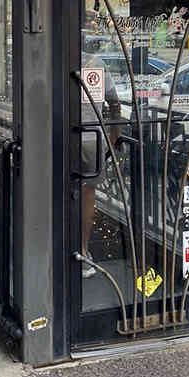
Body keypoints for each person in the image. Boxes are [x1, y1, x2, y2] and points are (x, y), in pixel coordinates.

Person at [80, 48, 122, 279]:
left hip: (59, 139)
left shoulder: (55, 57)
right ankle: (83, 252)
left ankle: (54, 249)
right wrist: (114, 138)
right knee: (87, 195)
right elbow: (114, 103)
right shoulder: (95, 62)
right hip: (91, 140)